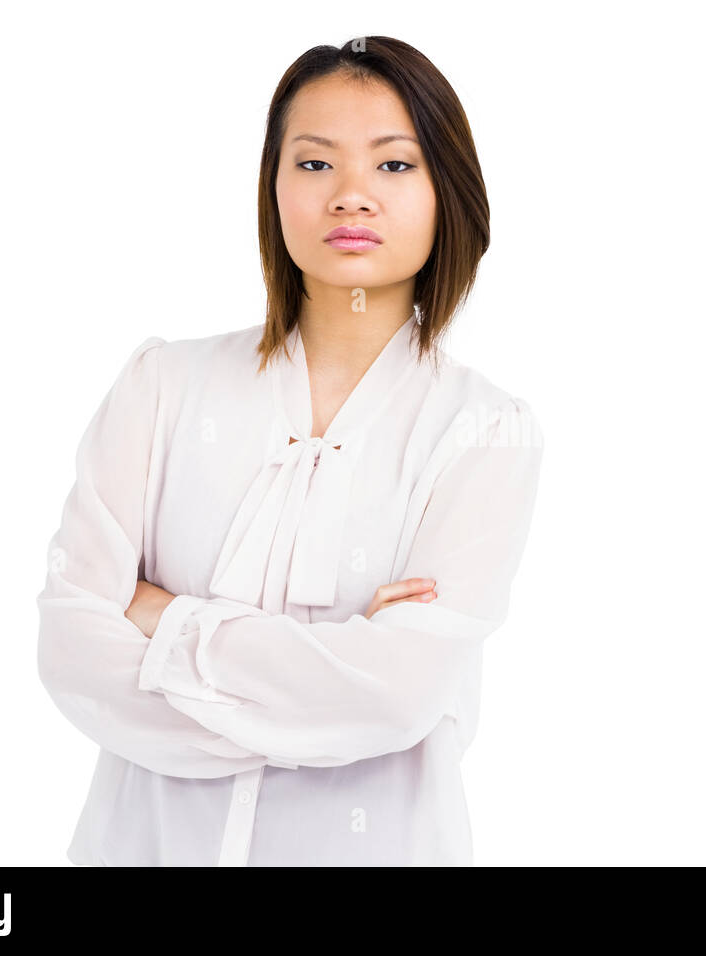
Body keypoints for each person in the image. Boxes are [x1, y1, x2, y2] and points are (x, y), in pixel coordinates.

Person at [35, 36, 545, 866]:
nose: (351, 196)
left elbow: (398, 697)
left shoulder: (486, 431)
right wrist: (330, 682)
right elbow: (70, 651)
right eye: (314, 165)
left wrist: (167, 622)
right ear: (273, 187)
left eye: (394, 165)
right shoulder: (162, 386)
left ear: (447, 190)